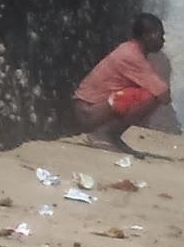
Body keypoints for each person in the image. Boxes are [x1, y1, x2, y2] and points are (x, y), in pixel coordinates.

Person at [72, 13, 171, 156]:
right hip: (88, 111)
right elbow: (163, 94)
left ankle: (112, 136)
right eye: (159, 35)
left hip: (90, 107)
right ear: (147, 35)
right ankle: (104, 134)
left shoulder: (130, 49)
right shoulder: (131, 55)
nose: (163, 41)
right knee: (149, 96)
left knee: (142, 92)